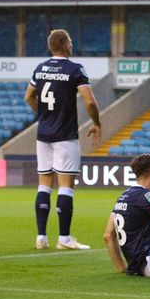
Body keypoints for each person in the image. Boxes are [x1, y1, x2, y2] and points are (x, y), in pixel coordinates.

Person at [24, 29, 102, 251]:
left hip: (44, 134)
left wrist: (43, 114)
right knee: (66, 185)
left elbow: (28, 96)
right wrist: (97, 122)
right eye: (70, 41)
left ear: (51, 47)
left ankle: (41, 237)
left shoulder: (40, 68)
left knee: (44, 183)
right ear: (67, 45)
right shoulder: (75, 69)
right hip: (65, 134)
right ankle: (64, 239)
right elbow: (89, 101)